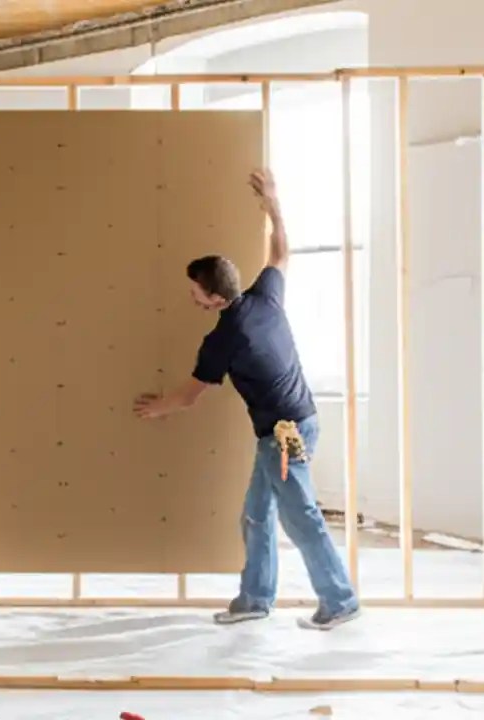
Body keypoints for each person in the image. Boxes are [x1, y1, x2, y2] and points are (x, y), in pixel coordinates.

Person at [132, 169, 360, 630]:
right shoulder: (265, 295)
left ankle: (339, 600)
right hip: (295, 424)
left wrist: (156, 407)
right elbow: (281, 250)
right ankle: (255, 599)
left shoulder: (223, 339)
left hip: (285, 437)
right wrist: (272, 203)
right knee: (257, 514)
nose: (192, 298)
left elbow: (192, 395)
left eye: (196, 292)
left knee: (302, 519)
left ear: (215, 297)